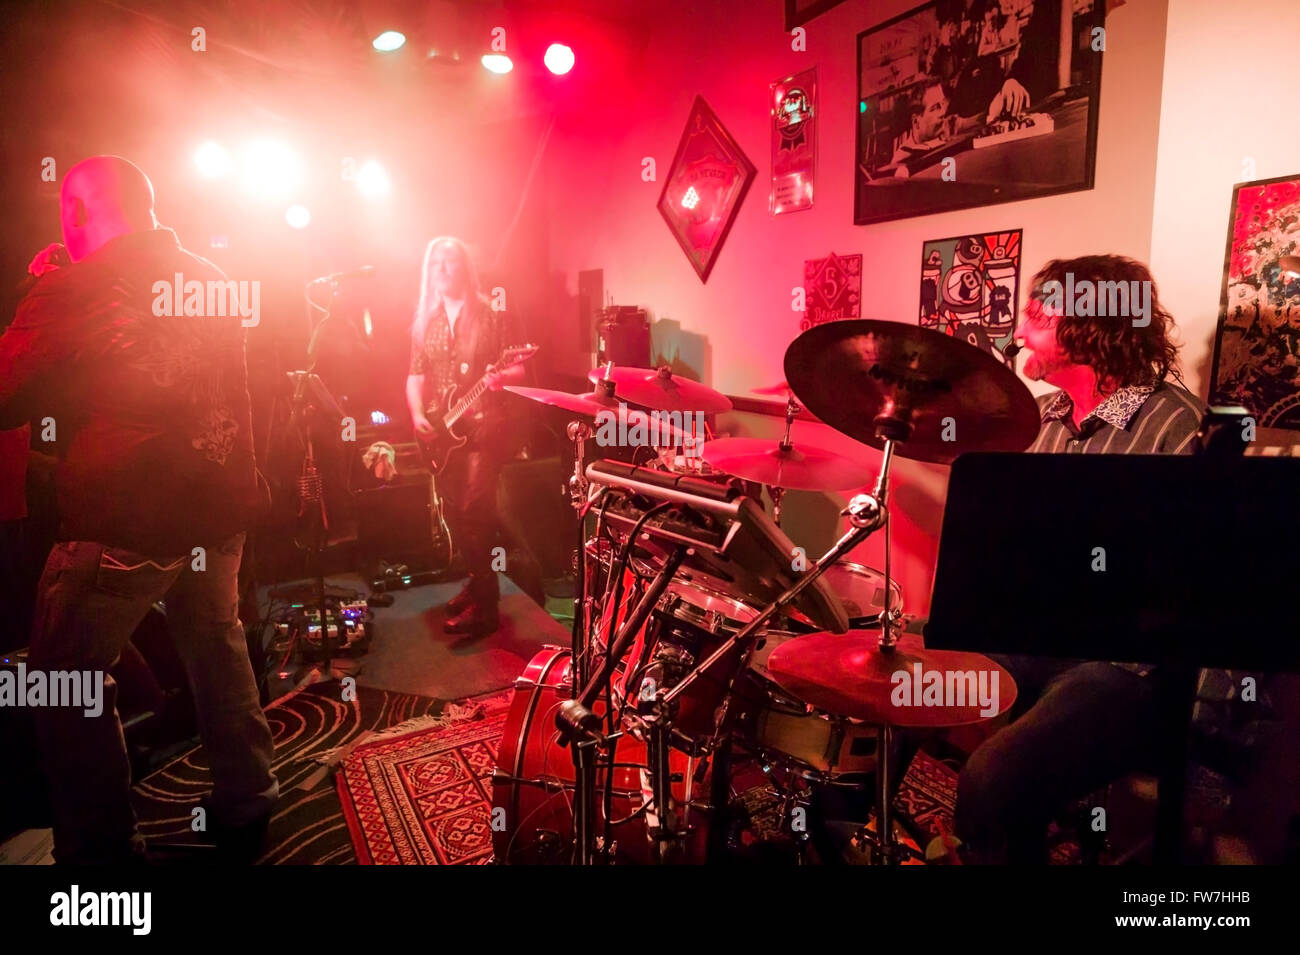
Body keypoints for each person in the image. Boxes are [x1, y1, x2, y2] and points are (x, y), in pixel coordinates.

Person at [0, 155, 277, 864]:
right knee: (217, 645)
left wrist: (43, 290)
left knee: (64, 681)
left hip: (124, 518)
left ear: (78, 212)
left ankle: (103, 858)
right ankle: (248, 799)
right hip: (216, 505)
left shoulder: (75, 286)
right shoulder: (210, 279)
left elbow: (8, 395)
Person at [953, 254, 1206, 863]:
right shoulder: (1044, 420)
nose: (1019, 331)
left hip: (1125, 664)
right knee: (898, 677)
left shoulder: (1178, 429)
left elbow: (1193, 585)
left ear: (1092, 324)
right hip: (1035, 634)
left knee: (992, 779)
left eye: (1037, 316)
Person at [406, 237, 522, 638]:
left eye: (450, 260)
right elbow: (415, 375)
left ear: (464, 268)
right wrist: (418, 414)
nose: (442, 267)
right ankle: (476, 584)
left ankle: (487, 608)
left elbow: (519, 370)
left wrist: (499, 378)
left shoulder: (491, 315)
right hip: (444, 430)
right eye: (435, 260)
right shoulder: (426, 320)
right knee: (456, 514)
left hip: (485, 427)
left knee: (476, 514)